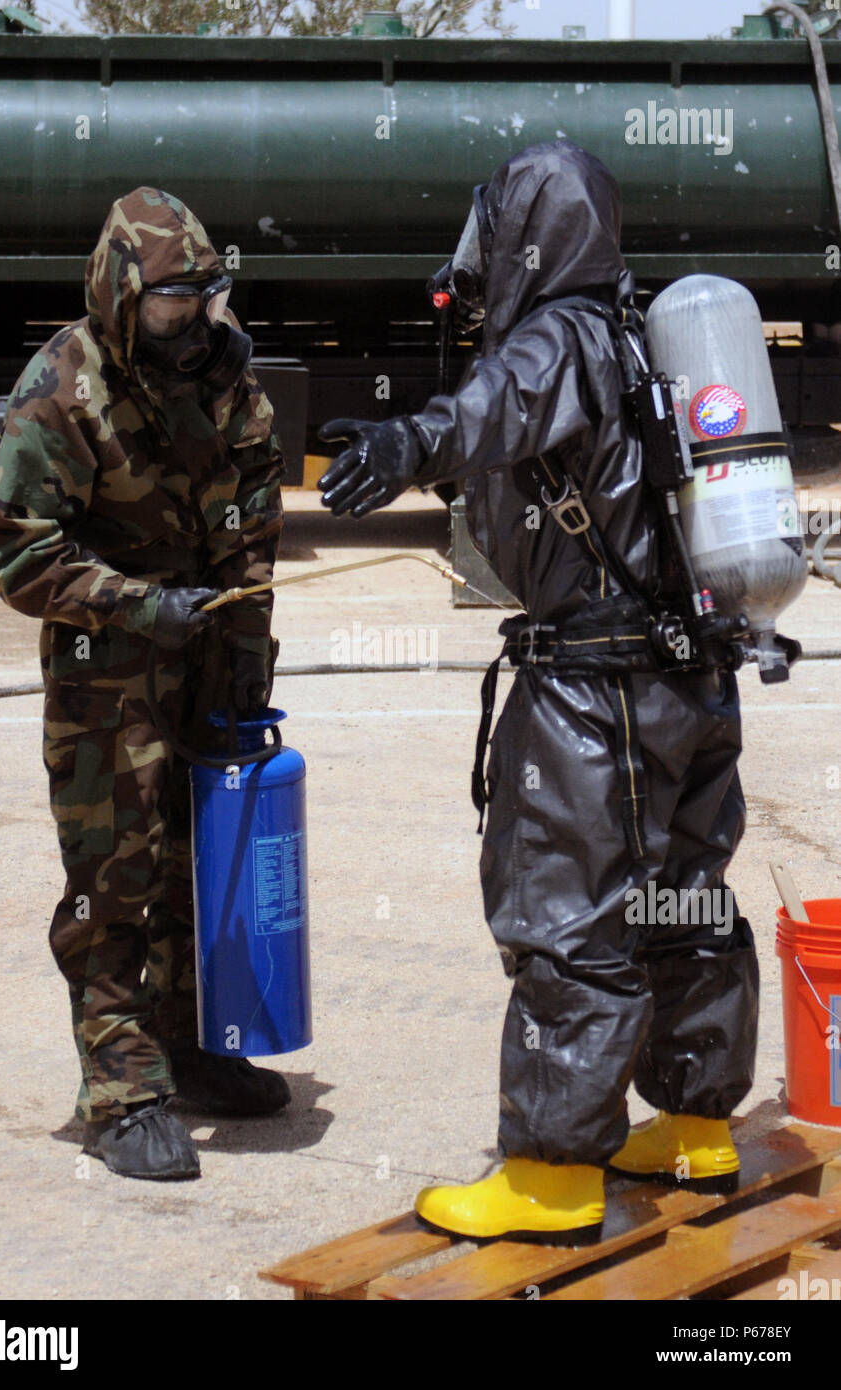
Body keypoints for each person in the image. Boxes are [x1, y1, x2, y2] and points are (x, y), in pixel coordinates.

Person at [317, 142, 757, 1244]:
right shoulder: (635, 333)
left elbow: (492, 408)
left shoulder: (555, 336)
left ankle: (552, 1174)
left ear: (524, 234)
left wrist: (403, 438)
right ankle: (696, 1128)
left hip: (592, 686)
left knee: (562, 914)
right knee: (682, 896)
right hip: (686, 673)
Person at [0, 187, 290, 1181]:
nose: (189, 320)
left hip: (204, 650)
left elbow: (253, 530)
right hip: (104, 667)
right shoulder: (62, 386)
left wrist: (247, 655)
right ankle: (121, 1092)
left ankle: (192, 1044)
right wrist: (128, 602)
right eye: (167, 304)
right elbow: (16, 557)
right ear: (120, 294)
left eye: (203, 298)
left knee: (208, 853)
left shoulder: (230, 377)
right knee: (113, 877)